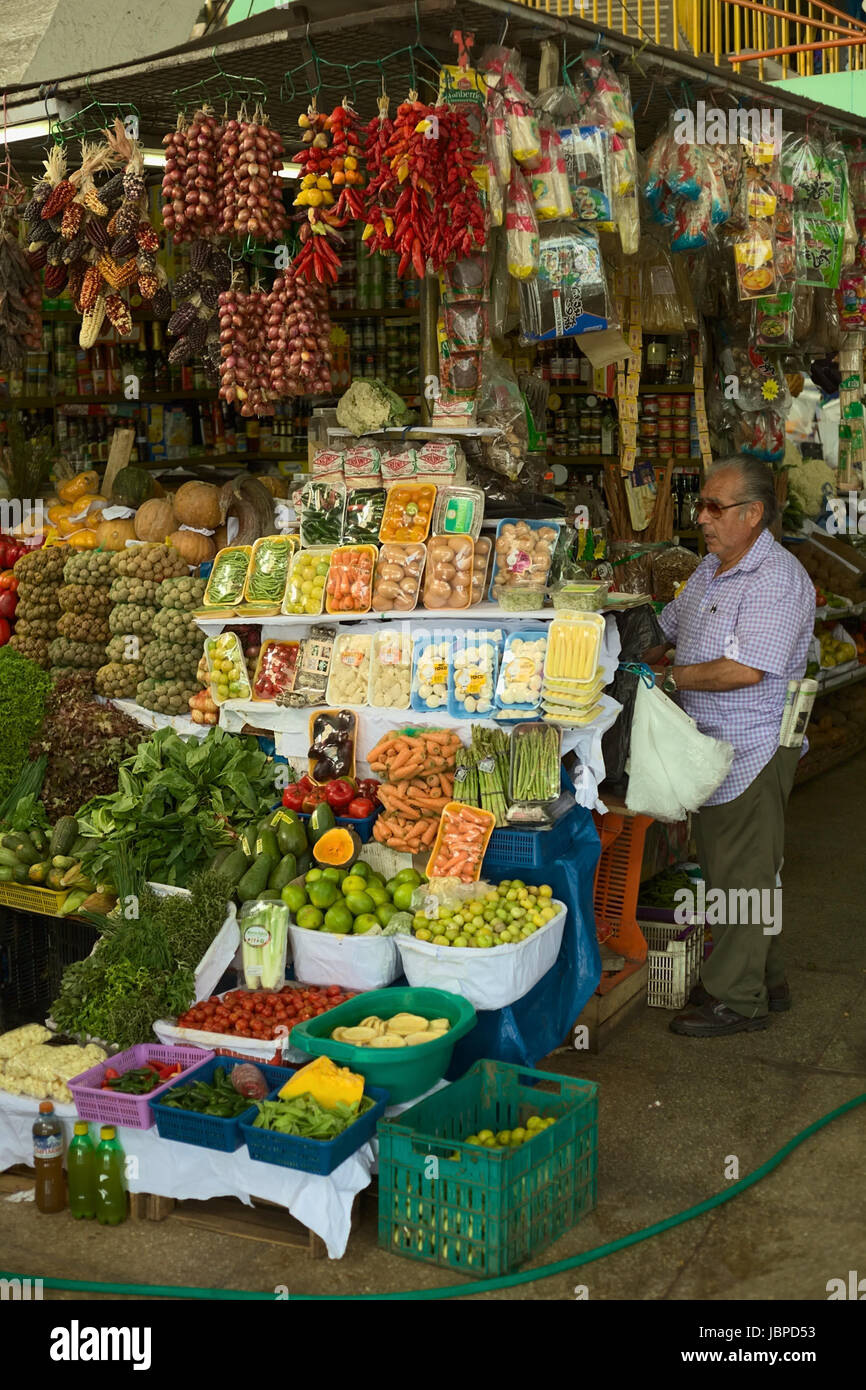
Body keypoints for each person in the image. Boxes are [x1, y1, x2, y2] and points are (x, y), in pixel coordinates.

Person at [643, 455, 815, 1038]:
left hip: (753, 747)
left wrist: (669, 680)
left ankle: (738, 1001)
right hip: (713, 746)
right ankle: (766, 978)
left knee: (741, 877)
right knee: (734, 873)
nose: (703, 518)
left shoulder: (775, 579)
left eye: (715, 507)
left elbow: (746, 671)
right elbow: (670, 626)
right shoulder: (713, 570)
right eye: (703, 506)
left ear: (753, 513)